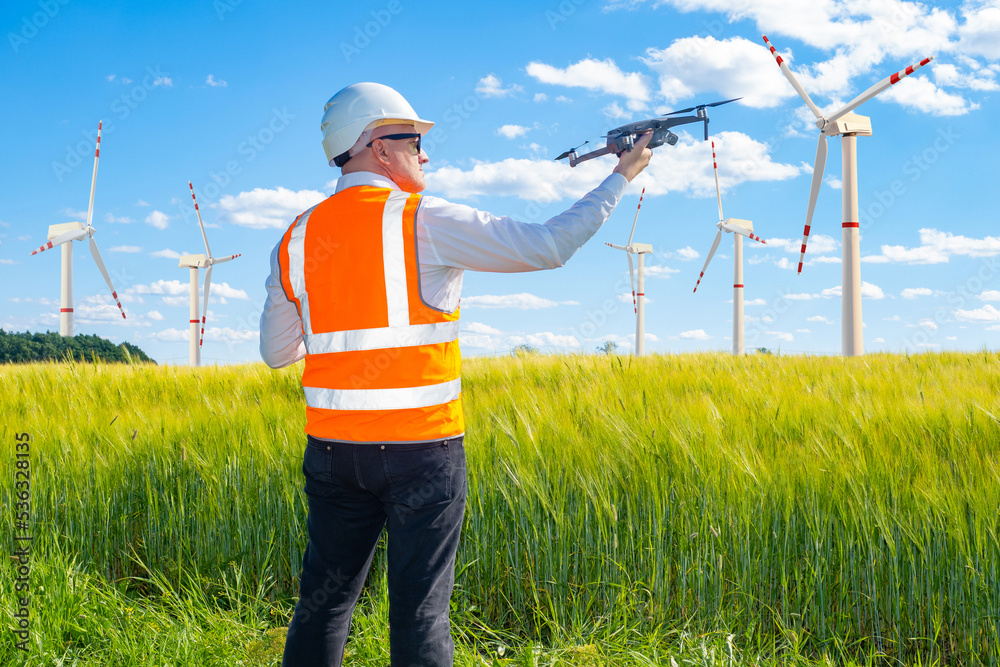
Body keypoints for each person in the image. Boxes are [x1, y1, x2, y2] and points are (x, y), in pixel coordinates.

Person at [259, 81, 652, 666]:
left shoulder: (295, 236)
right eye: (414, 141)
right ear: (377, 146)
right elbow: (546, 246)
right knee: (418, 612)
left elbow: (277, 351)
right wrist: (620, 176)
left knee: (325, 603)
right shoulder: (425, 218)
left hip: (334, 453)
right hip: (422, 450)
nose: (426, 154)